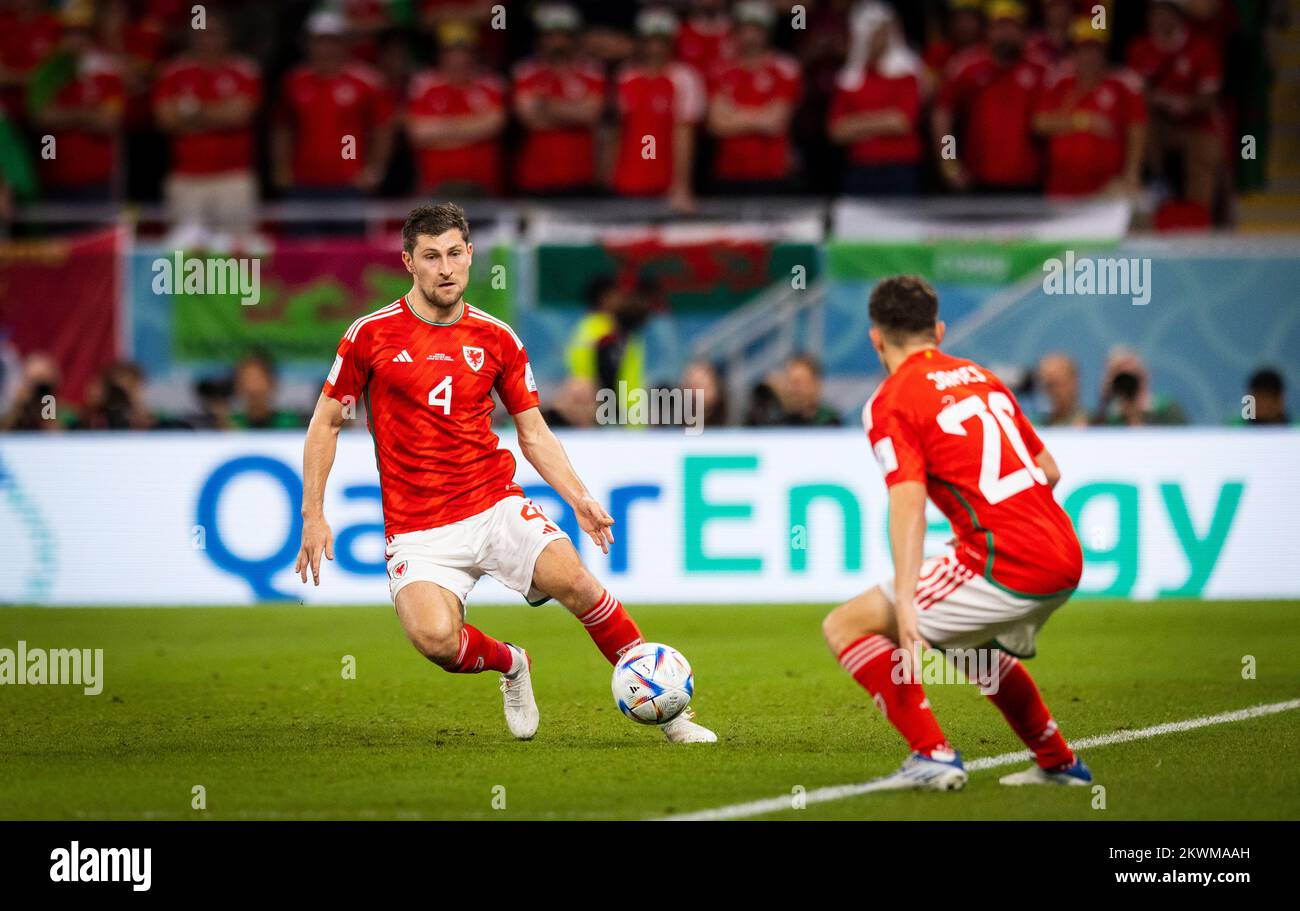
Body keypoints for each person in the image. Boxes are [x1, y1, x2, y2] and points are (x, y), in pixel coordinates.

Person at [296, 202, 716, 744]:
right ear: (408, 262)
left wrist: (580, 497)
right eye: (431, 257)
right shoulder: (370, 335)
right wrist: (314, 513)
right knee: (436, 641)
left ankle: (671, 715)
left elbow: (534, 432)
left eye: (454, 254)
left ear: (470, 256)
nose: (445, 268)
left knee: (578, 583)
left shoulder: (497, 338)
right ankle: (513, 664)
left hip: (493, 504)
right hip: (418, 527)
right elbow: (325, 423)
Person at [822, 274, 1090, 791]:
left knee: (846, 625)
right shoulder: (982, 377)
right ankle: (1058, 762)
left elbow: (908, 503)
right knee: (973, 647)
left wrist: (905, 600)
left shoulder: (890, 401)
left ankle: (933, 755)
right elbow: (1049, 470)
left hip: (1007, 561)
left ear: (875, 338)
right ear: (939, 331)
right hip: (1062, 552)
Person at [153, 11, 260, 248]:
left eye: (213, 34)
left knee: (235, 252)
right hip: (187, 179)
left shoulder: (244, 70)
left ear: (226, 37)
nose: (207, 41)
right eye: (201, 34)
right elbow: (166, 121)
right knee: (187, 255)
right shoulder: (174, 72)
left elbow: (240, 115)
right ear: (191, 37)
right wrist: (220, 113)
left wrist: (192, 113)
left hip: (233, 178)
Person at [272, 10, 395, 207]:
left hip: (350, 183)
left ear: (344, 44)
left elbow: (383, 128)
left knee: (352, 239)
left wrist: (374, 170)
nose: (325, 48)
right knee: (302, 239)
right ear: (308, 44)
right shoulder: (294, 81)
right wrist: (282, 168)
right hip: (303, 183)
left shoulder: (366, 82)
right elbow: (282, 127)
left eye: (332, 41)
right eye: (320, 41)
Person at [932, 0, 1044, 193]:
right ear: (988, 31)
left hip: (1028, 181)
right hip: (978, 180)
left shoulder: (1040, 69)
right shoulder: (966, 66)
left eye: (1012, 27)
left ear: (1023, 32)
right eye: (999, 27)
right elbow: (943, 114)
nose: (1006, 33)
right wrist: (948, 161)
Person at [1126, 0, 1222, 214]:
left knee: (1206, 148)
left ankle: (1199, 214)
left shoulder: (1201, 47)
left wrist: (1185, 102)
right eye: (1154, 13)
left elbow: (1210, 99)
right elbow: (1134, 94)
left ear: (1177, 16)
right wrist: (1159, 100)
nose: (1158, 19)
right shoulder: (1140, 48)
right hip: (1159, 124)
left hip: (1197, 122)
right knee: (1139, 121)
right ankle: (1156, 181)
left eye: (1164, 12)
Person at [1033, 18, 1146, 198]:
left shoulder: (1121, 85)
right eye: (1084, 50)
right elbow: (1040, 123)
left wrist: (1132, 172)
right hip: (1062, 185)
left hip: (1106, 187)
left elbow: (1137, 130)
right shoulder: (1060, 83)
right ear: (1074, 54)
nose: (1090, 56)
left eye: (1095, 50)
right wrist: (1085, 120)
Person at [611, 7, 705, 211]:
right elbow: (617, 131)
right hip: (626, 182)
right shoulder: (625, 76)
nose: (654, 48)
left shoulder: (685, 78)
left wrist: (682, 186)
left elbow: (684, 135)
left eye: (661, 41)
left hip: (666, 186)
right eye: (649, 41)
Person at [829, 2, 925, 196]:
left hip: (900, 168)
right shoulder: (849, 78)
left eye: (882, 32)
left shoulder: (906, 74)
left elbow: (902, 122)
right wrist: (883, 120)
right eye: (871, 32)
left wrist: (856, 123)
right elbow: (836, 131)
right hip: (860, 168)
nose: (877, 38)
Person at [706, 1, 801, 194]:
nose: (750, 35)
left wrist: (734, 115)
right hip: (729, 171)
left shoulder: (785, 68)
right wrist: (759, 116)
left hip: (772, 170)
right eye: (744, 28)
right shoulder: (719, 69)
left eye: (756, 28)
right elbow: (716, 124)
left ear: (767, 31)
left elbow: (775, 122)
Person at [511, 3, 604, 195]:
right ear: (540, 38)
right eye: (550, 35)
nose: (557, 42)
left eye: (564, 35)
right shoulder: (525, 72)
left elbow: (590, 115)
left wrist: (545, 105)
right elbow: (529, 119)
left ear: (574, 38)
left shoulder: (591, 72)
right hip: (535, 178)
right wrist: (573, 111)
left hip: (580, 177)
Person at [406, 20, 506, 196]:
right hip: (436, 186)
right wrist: (472, 128)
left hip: (482, 186)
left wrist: (440, 131)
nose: (458, 58)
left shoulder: (491, 84)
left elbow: (494, 125)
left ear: (474, 53)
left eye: (463, 51)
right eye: (451, 51)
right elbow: (418, 133)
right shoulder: (423, 85)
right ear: (441, 54)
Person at [1093, 346, 1186, 426]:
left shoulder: (1167, 412)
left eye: (1132, 376)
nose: (1127, 384)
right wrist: (1104, 401)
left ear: (1145, 377)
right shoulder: (1110, 421)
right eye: (1121, 378)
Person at [778, 353, 842, 426]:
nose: (793, 389)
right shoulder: (778, 421)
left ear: (816, 384)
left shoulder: (830, 421)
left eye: (798, 383)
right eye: (789, 382)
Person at [1035, 352, 1088, 427]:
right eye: (1045, 385)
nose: (1050, 391)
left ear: (1073, 383)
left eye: (1054, 384)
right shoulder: (1035, 428)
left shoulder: (1095, 426)